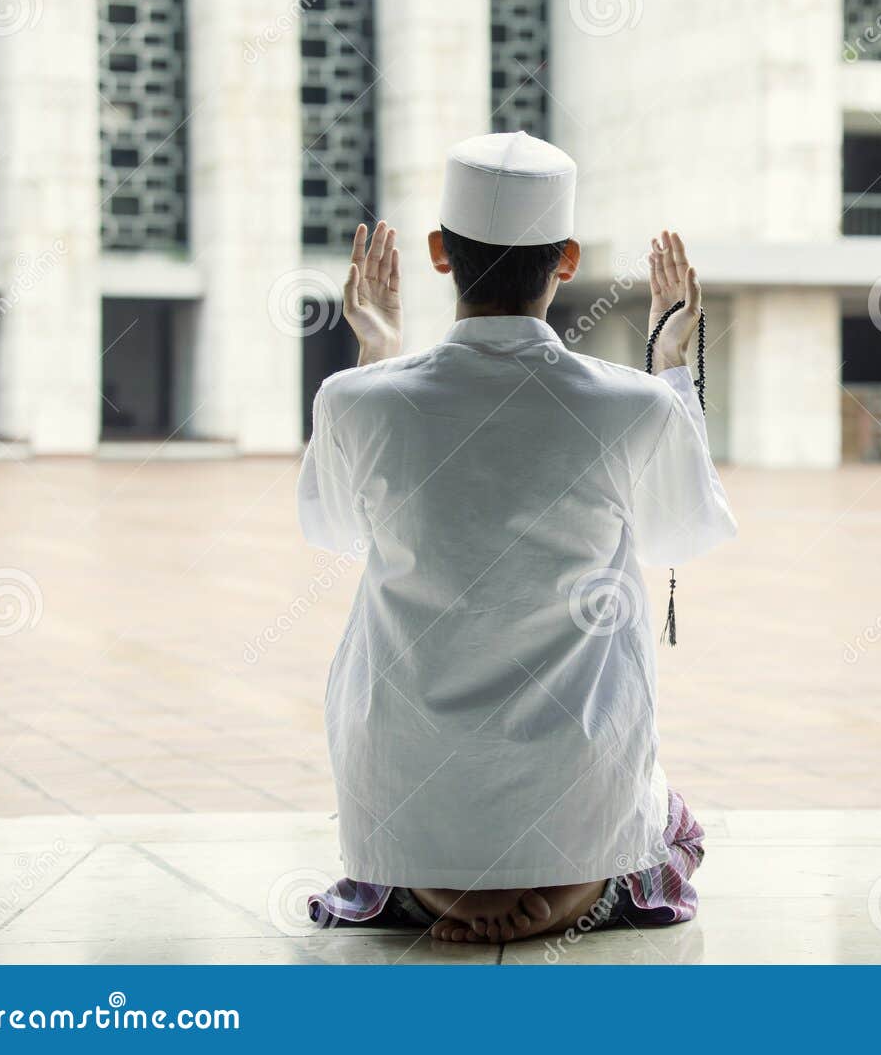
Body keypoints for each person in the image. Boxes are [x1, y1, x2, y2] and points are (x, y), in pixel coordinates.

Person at [297, 132, 736, 943]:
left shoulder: (354, 399)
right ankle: (565, 891)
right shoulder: (633, 403)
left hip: (408, 811)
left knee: (412, 799)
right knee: (677, 826)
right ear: (566, 260)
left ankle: (443, 890)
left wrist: (375, 353)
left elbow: (335, 529)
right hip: (577, 811)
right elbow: (682, 531)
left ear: (439, 253)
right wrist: (671, 361)